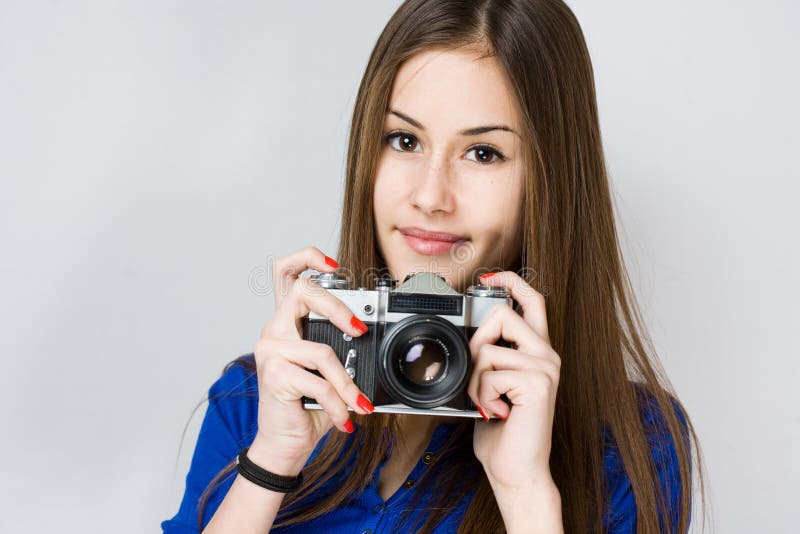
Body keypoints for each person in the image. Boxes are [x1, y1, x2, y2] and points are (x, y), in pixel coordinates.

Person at [162, 0, 705, 532]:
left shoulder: (635, 446)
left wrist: (525, 494)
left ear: (548, 182)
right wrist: (271, 462)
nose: (430, 195)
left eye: (483, 153)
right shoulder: (255, 402)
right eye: (404, 140)